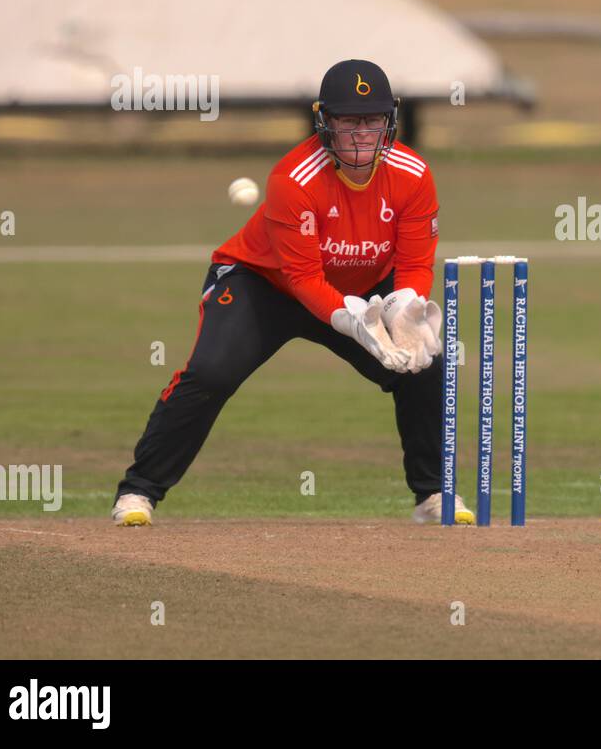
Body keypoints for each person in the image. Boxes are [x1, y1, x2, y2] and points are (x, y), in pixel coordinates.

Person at [110, 59, 473, 526]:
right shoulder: (294, 177)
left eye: (372, 121)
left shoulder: (413, 174)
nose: (361, 135)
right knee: (212, 374)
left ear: (391, 120)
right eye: (348, 121)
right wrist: (352, 323)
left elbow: (415, 262)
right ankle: (138, 492)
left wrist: (404, 306)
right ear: (324, 121)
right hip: (264, 284)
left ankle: (433, 495)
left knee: (424, 366)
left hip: (363, 289)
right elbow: (302, 279)